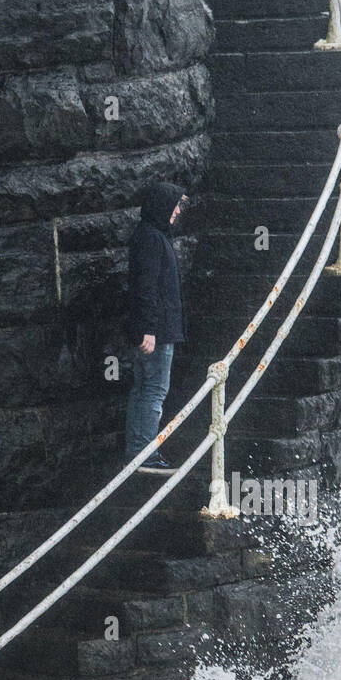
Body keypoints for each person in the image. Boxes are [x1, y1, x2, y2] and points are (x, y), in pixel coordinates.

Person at [123, 181, 189, 476]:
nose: (177, 211)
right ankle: (144, 453)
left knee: (142, 390)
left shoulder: (149, 236)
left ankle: (138, 451)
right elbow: (146, 287)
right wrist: (148, 328)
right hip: (156, 331)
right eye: (175, 205)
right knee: (154, 391)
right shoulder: (152, 239)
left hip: (153, 328)